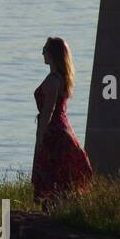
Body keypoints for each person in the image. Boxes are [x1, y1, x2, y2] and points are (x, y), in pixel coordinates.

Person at [32, 37, 94, 208]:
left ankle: (52, 209)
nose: (42, 53)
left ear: (52, 54)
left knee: (50, 172)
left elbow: (48, 111)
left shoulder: (53, 80)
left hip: (54, 131)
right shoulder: (61, 77)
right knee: (57, 173)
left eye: (44, 50)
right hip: (62, 127)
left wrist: (40, 136)